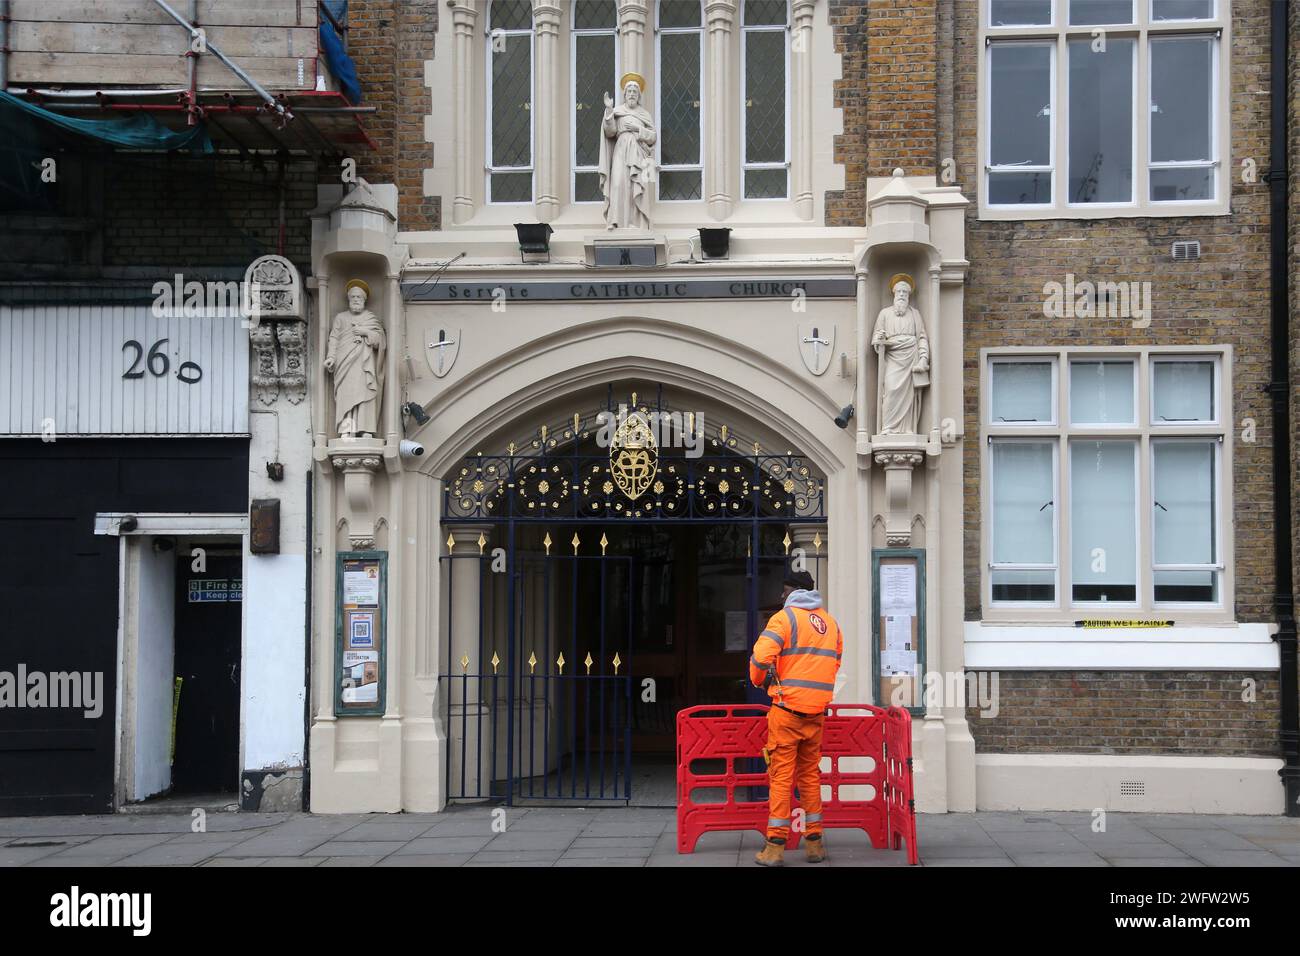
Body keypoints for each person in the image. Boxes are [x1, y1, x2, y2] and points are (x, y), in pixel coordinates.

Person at [748, 568, 844, 866]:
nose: (780, 596)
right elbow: (835, 662)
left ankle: (775, 847)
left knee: (781, 777)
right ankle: (814, 845)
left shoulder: (784, 618)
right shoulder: (830, 623)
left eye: (782, 591)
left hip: (787, 711)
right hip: (816, 714)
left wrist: (760, 681)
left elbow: (761, 658)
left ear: (790, 592)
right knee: (809, 776)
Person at [324, 279, 386, 438]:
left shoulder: (370, 318)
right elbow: (334, 338)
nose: (356, 300)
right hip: (344, 362)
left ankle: (366, 429)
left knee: (365, 394)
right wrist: (331, 356)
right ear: (348, 299)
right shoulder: (340, 317)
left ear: (364, 300)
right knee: (347, 395)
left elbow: (380, 340)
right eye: (353, 297)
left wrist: (365, 332)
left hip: (364, 363)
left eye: (359, 297)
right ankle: (347, 430)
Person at [871, 274, 930, 435]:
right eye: (899, 292)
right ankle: (888, 427)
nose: (902, 295)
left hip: (911, 357)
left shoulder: (915, 314)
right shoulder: (884, 313)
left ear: (909, 295)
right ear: (894, 294)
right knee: (890, 390)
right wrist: (880, 339)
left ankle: (908, 429)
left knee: (908, 396)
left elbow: (922, 338)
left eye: (905, 292)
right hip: (892, 358)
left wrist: (924, 359)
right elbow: (876, 338)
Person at [599, 73, 656, 231]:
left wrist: (637, 129)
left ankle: (635, 223)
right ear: (625, 95)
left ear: (638, 96)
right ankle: (616, 221)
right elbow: (610, 132)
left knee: (634, 185)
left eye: (634, 92)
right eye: (629, 91)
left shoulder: (644, 114)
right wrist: (609, 110)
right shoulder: (617, 111)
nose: (632, 94)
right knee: (617, 183)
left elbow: (653, 137)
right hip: (620, 150)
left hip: (638, 152)